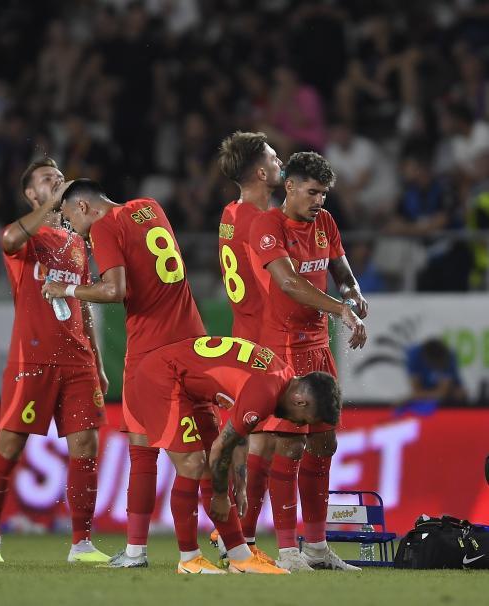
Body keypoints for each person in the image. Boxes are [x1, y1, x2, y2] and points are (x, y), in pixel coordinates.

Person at [45, 179, 249, 571]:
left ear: (84, 207)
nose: (72, 229)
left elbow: (114, 290)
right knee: (207, 450)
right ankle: (230, 542)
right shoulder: (149, 207)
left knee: (145, 452)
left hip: (151, 355)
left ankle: (147, 551)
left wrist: (65, 288)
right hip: (193, 342)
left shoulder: (104, 226)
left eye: (70, 217)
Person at [0, 158, 109, 564]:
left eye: (58, 176)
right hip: (32, 359)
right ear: (31, 194)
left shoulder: (78, 242)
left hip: (77, 360)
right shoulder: (28, 238)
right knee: (11, 448)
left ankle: (81, 543)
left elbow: (83, 304)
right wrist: (47, 207)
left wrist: (98, 361)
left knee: (86, 445)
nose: (56, 181)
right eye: (46, 180)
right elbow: (7, 240)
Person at [244, 151, 367, 571]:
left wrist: (354, 296)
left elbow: (344, 273)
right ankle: (287, 550)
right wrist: (341, 310)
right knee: (290, 444)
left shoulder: (325, 223)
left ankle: (316, 546)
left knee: (324, 443)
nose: (319, 201)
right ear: (290, 186)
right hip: (282, 350)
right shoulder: (267, 226)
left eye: (325, 194)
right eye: (313, 192)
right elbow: (289, 283)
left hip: (318, 348)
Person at [133, 335, 343, 574]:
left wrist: (240, 485)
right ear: (301, 401)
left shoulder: (280, 376)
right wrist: (222, 497)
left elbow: (239, 436)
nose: (298, 423)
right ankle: (188, 560)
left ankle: (240, 557)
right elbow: (222, 448)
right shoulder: (265, 392)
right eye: (305, 419)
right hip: (162, 377)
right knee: (194, 464)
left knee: (213, 468)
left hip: (190, 385)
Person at [215, 131, 282, 564]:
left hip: (243, 337)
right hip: (266, 339)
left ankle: (234, 536)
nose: (282, 161)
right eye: (275, 157)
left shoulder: (230, 212)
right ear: (260, 171)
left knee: (248, 441)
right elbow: (274, 285)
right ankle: (241, 539)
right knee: (265, 444)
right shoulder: (261, 222)